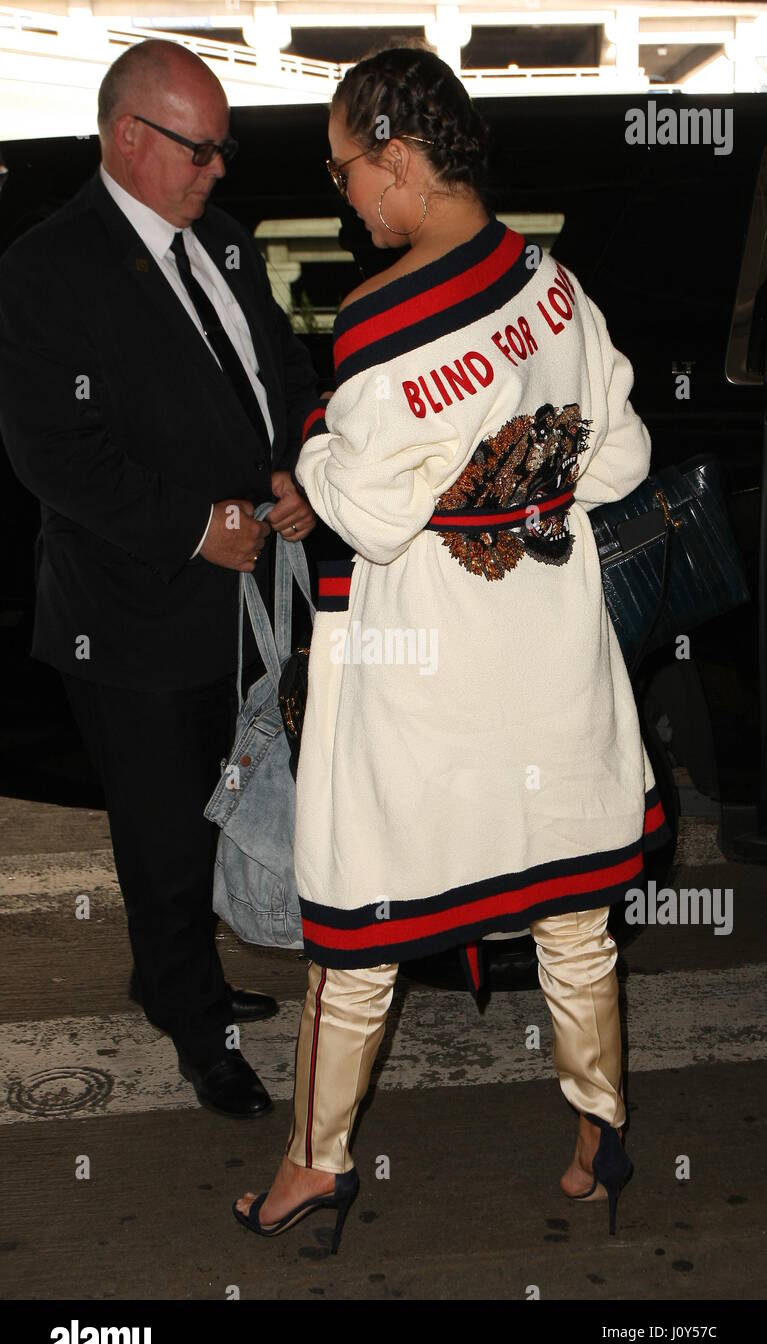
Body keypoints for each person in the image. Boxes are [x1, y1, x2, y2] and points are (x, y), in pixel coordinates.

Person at [232, 43, 673, 1245]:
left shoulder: (379, 322)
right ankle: (601, 1127)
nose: (345, 197)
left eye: (344, 172)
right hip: (547, 666)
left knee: (356, 928)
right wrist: (526, 479)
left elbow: (365, 513)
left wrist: (319, 438)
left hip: (422, 688)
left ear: (399, 157)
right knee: (573, 921)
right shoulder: (552, 283)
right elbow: (622, 458)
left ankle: (316, 1170)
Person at [0, 39, 320, 1117]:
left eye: (223, 146)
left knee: (220, 807)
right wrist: (197, 526)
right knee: (163, 834)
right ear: (128, 137)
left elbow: (276, 371)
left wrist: (292, 467)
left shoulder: (220, 244)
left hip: (240, 606)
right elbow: (54, 453)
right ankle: (201, 1032)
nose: (219, 168)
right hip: (129, 617)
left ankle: (169, 972)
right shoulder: (47, 268)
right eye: (200, 148)